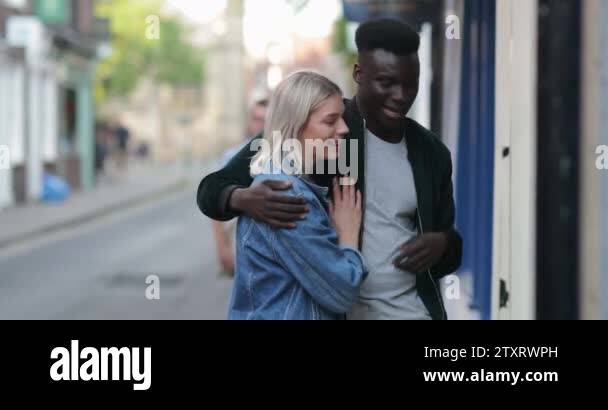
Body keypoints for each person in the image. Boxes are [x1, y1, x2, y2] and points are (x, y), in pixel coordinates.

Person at [198, 19, 462, 320]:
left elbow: (450, 247)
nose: (401, 96)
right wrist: (241, 198)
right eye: (387, 83)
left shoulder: (431, 153)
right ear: (359, 74)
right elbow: (212, 188)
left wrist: (443, 245)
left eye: (410, 83)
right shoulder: (318, 128)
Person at [228, 71, 367, 320]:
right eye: (330, 121)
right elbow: (342, 292)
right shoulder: (286, 194)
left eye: (342, 119)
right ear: (296, 124)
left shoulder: (281, 181)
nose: (344, 129)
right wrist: (348, 236)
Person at [212, 97, 268, 277]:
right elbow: (215, 203)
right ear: (249, 122)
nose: (261, 125)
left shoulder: (288, 156)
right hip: (239, 243)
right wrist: (222, 249)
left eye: (266, 120)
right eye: (257, 119)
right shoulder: (232, 157)